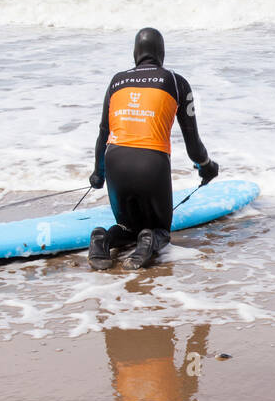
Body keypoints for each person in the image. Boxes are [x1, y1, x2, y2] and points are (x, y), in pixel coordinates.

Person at [88, 27, 219, 269]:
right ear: (162, 53)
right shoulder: (176, 82)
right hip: (151, 164)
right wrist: (207, 166)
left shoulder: (117, 81)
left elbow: (103, 134)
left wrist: (98, 174)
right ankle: (148, 240)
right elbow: (194, 146)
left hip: (115, 161)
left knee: (126, 227)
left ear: (135, 53)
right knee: (160, 230)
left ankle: (102, 237)